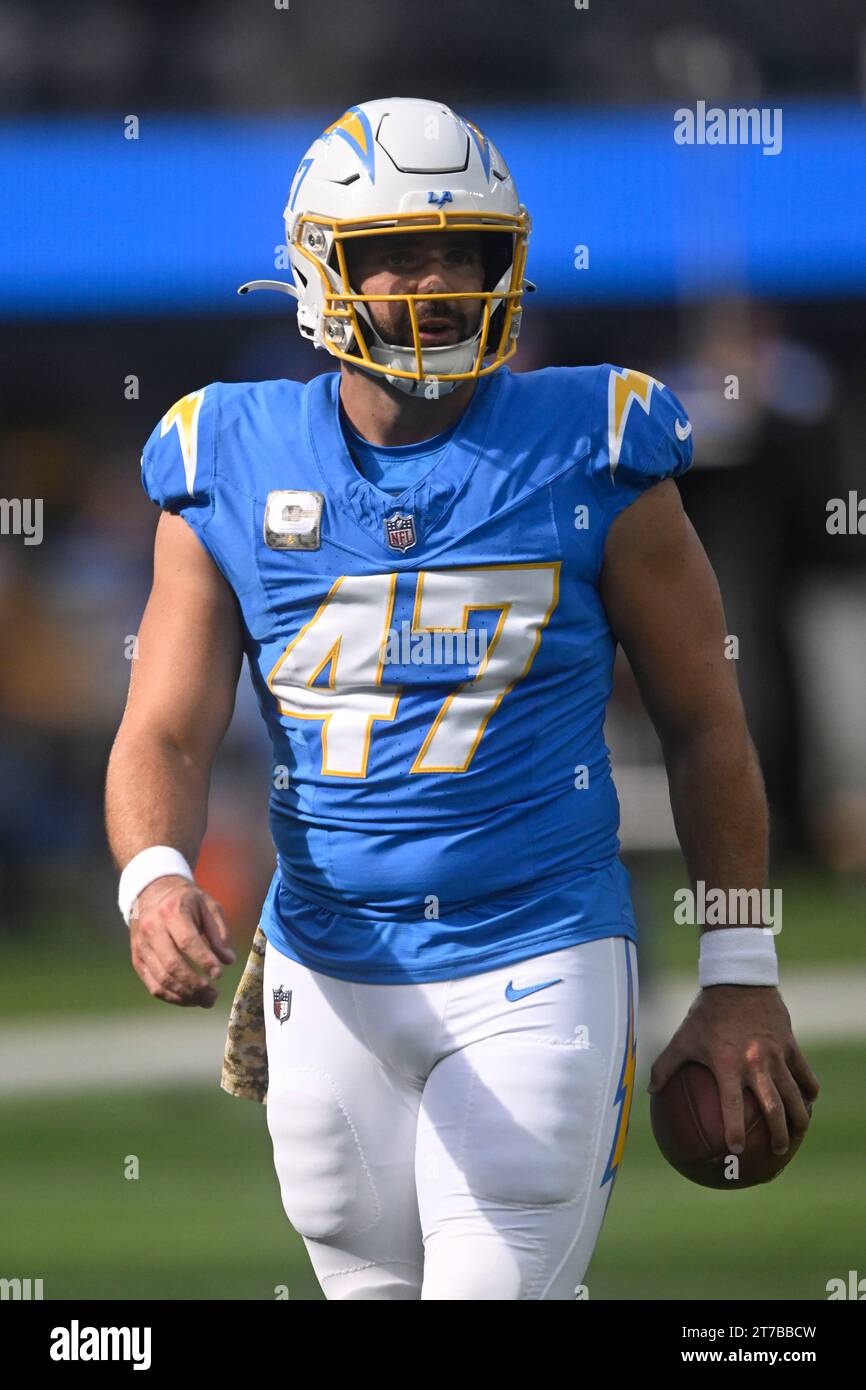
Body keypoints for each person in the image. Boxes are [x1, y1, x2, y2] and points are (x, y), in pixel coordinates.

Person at [105, 97, 818, 1301]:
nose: (434, 280)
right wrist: (153, 873)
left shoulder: (594, 444)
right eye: (393, 251)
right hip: (325, 968)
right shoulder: (224, 455)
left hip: (536, 953)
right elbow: (165, 727)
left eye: (462, 250)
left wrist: (740, 964)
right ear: (319, 268)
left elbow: (705, 725)